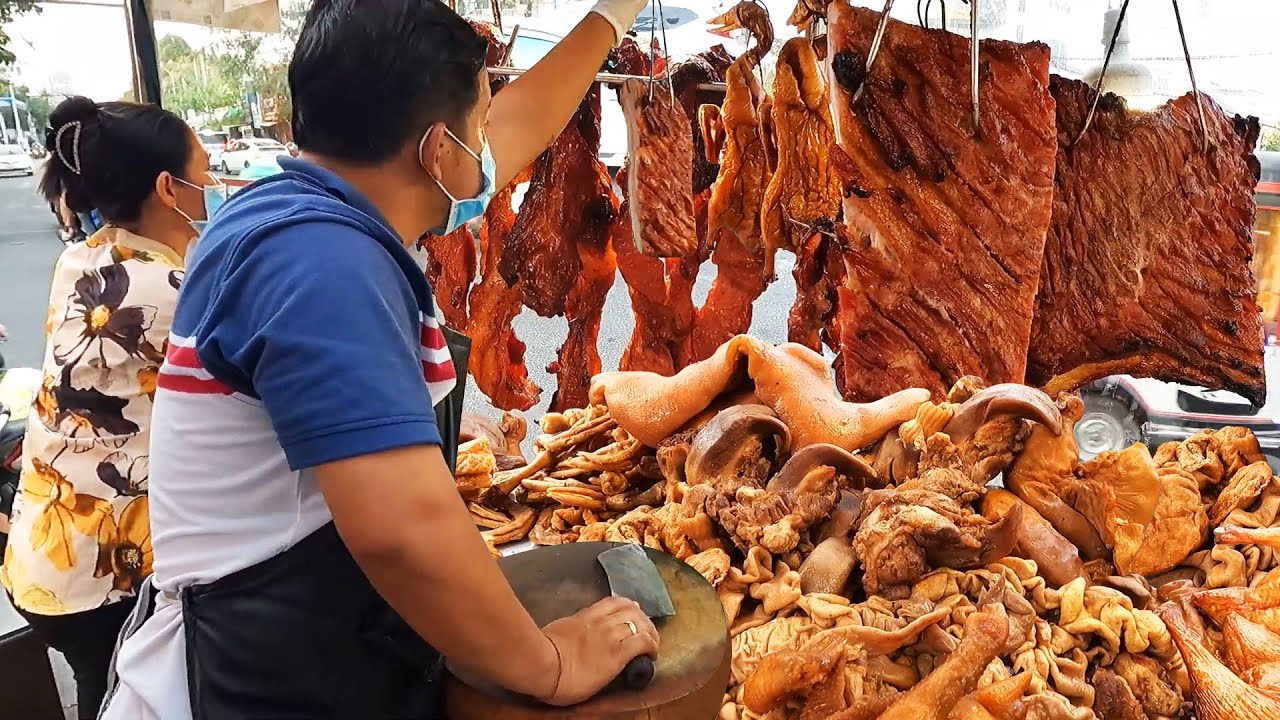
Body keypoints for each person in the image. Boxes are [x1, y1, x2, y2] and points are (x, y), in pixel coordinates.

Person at [101, 0, 657, 718]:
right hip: (261, 682)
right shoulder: (323, 262)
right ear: (436, 151)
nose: (491, 146)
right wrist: (551, 664)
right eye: (477, 128)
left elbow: (520, 123)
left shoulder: (288, 213)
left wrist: (610, 17)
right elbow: (402, 532)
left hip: (313, 643)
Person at [1, 96, 224, 720]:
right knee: (132, 701)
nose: (214, 183)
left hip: (44, 552)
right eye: (204, 169)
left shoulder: (86, 256)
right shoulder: (162, 291)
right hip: (98, 571)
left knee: (106, 695)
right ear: (167, 187)